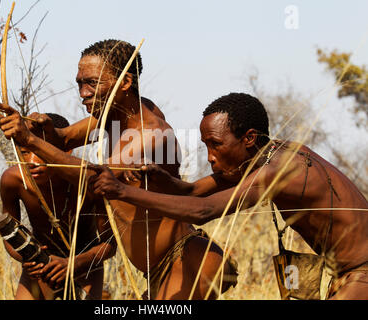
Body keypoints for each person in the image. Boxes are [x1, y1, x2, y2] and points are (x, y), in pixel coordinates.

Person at [0, 39, 237, 300]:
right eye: (79, 83)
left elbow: (93, 178)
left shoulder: (152, 135)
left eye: (92, 83)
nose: (83, 92)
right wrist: (43, 130)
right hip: (160, 271)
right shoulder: (114, 114)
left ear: (125, 83)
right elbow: (63, 139)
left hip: (187, 261)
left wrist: (30, 140)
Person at [88, 92, 368, 300]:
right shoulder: (261, 157)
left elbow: (203, 211)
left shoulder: (280, 169)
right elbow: (195, 192)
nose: (210, 157)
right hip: (347, 274)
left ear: (248, 138)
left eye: (217, 145)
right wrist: (163, 180)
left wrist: (123, 191)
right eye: (206, 145)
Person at [0, 113, 115, 300]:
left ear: (65, 152)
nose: (32, 162)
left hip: (84, 263)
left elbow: (109, 244)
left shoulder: (88, 181)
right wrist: (29, 258)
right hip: (39, 263)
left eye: (41, 151)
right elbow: (9, 233)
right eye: (25, 151)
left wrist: (73, 264)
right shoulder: (14, 180)